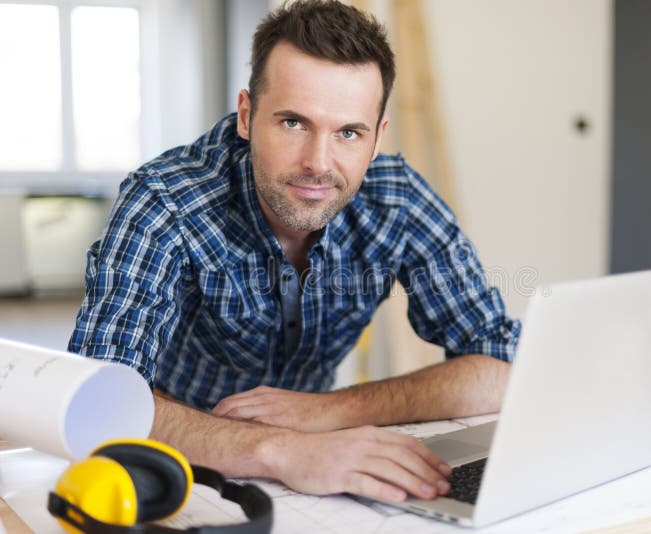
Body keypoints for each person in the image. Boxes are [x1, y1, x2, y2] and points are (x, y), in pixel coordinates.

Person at [69, 0, 520, 503]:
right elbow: (96, 398)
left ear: (377, 139)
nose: (318, 164)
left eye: (349, 132)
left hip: (318, 457)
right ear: (246, 115)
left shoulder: (399, 200)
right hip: (177, 456)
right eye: (293, 123)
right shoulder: (165, 202)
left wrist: (326, 412)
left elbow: (501, 364)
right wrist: (282, 450)